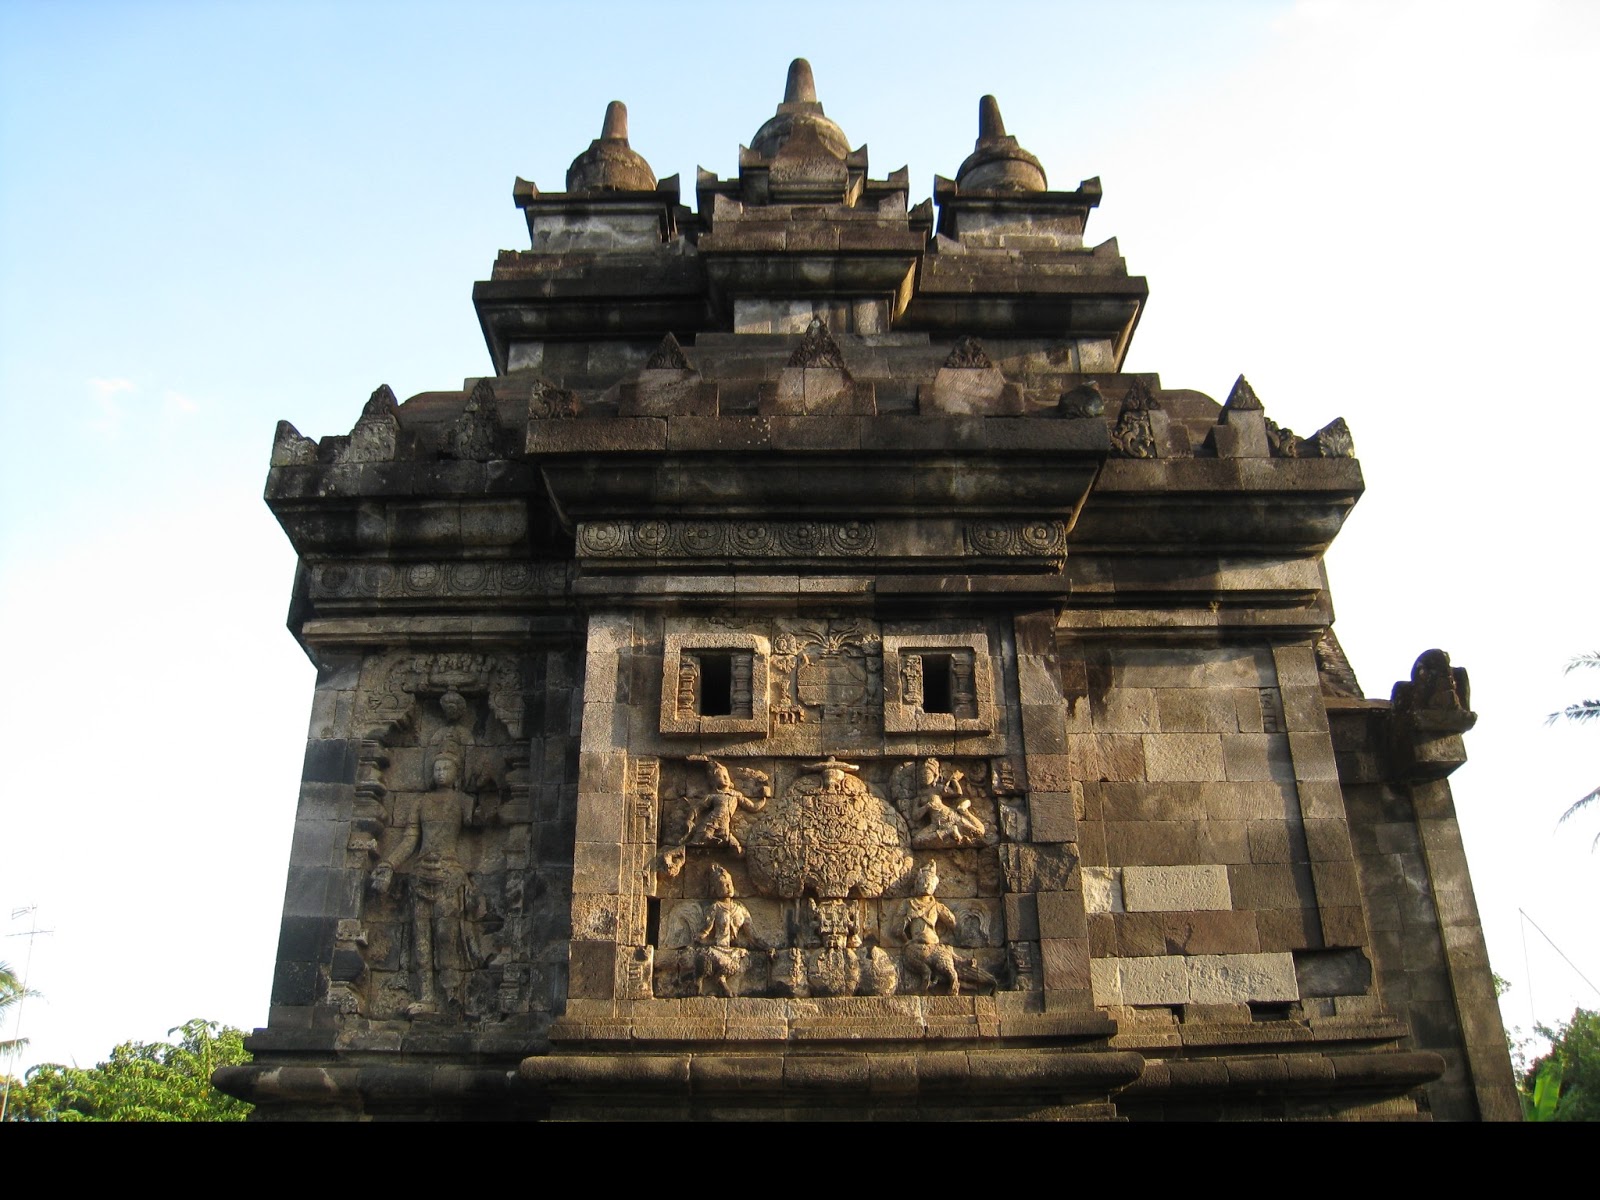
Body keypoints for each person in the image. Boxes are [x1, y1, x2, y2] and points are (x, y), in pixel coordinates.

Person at [371, 752, 477, 1016]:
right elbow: (409, 840)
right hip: (421, 873)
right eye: (437, 767)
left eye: (446, 767)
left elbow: (478, 820)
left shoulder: (463, 801)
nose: (440, 771)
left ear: (456, 773)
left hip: (450, 873)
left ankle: (452, 993)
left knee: (445, 935)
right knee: (422, 939)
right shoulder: (421, 802)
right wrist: (389, 864)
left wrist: (486, 791)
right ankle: (427, 996)